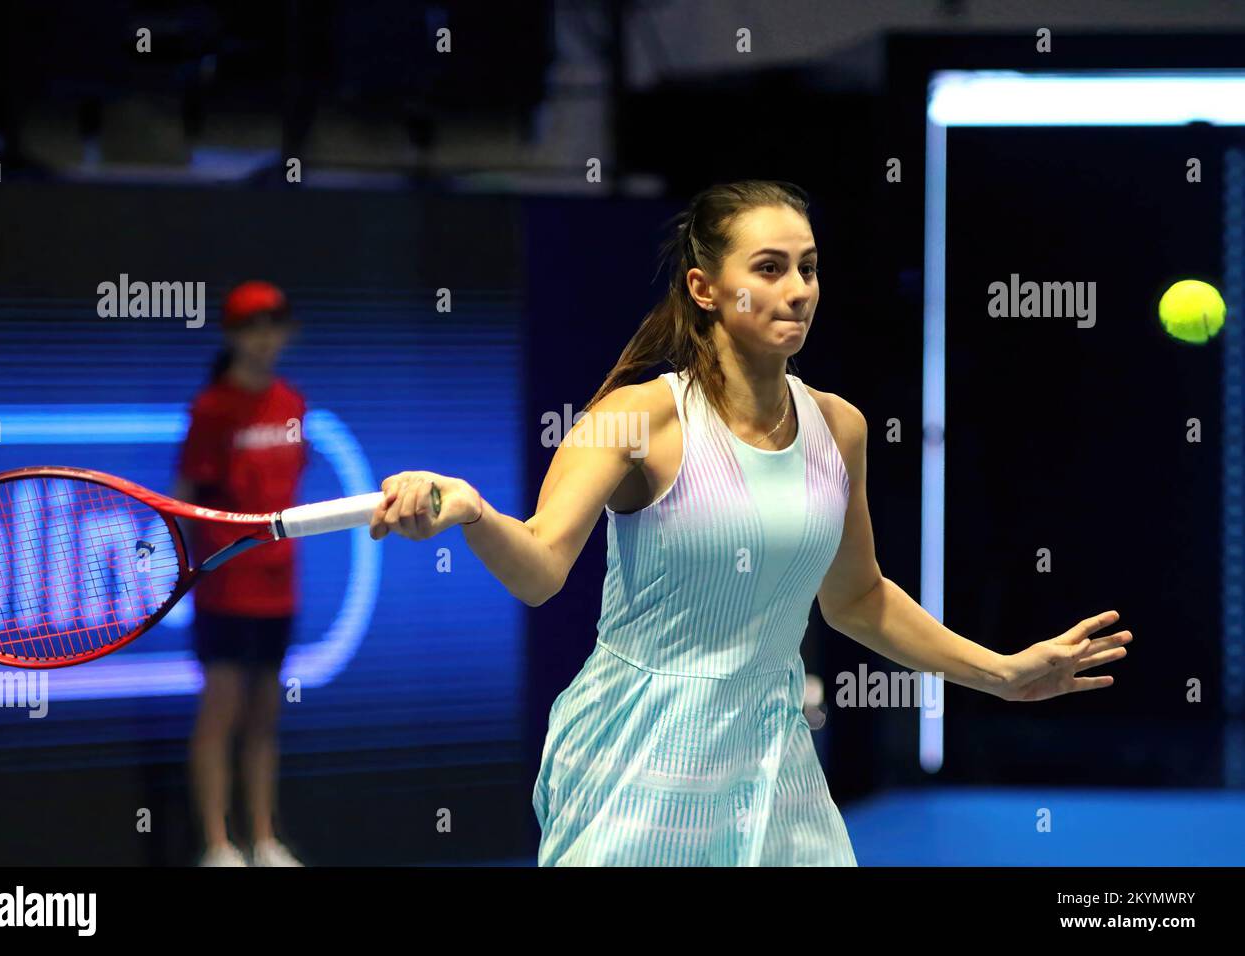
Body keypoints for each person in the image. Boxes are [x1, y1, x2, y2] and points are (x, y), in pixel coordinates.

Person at [366, 180, 1134, 865]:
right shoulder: (637, 418)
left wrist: (1000, 673)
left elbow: (857, 599)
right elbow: (538, 568)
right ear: (705, 288)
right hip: (638, 753)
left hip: (773, 756)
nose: (797, 289)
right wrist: (470, 510)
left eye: (808, 268)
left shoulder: (841, 428)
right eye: (768, 269)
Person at [176, 280, 308, 867]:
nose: (264, 338)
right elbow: (184, 497)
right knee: (221, 711)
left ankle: (263, 839)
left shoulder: (294, 405)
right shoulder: (212, 408)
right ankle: (217, 845)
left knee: (264, 715)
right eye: (252, 326)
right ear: (233, 336)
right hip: (225, 588)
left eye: (273, 324)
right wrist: (187, 569)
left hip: (279, 589)